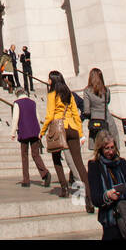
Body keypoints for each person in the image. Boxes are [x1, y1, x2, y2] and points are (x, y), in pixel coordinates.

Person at [41, 70, 90, 205]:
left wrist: (42, 131)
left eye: (49, 79)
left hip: (58, 129)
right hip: (73, 129)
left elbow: (50, 116)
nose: (48, 81)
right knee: (78, 163)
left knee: (56, 159)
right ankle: (88, 196)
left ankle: (64, 188)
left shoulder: (52, 95)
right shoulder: (69, 94)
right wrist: (81, 133)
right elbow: (76, 114)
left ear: (52, 80)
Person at [12, 89, 50, 188]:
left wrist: (13, 132)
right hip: (35, 131)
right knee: (36, 154)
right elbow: (37, 117)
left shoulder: (17, 103)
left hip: (24, 131)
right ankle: (45, 173)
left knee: (24, 156)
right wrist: (40, 131)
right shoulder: (33, 102)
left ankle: (26, 179)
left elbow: (15, 118)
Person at [81, 67, 119, 155]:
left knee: (98, 150)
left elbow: (86, 110)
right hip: (107, 121)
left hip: (95, 123)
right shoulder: (106, 90)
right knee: (110, 150)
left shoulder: (87, 91)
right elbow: (107, 102)